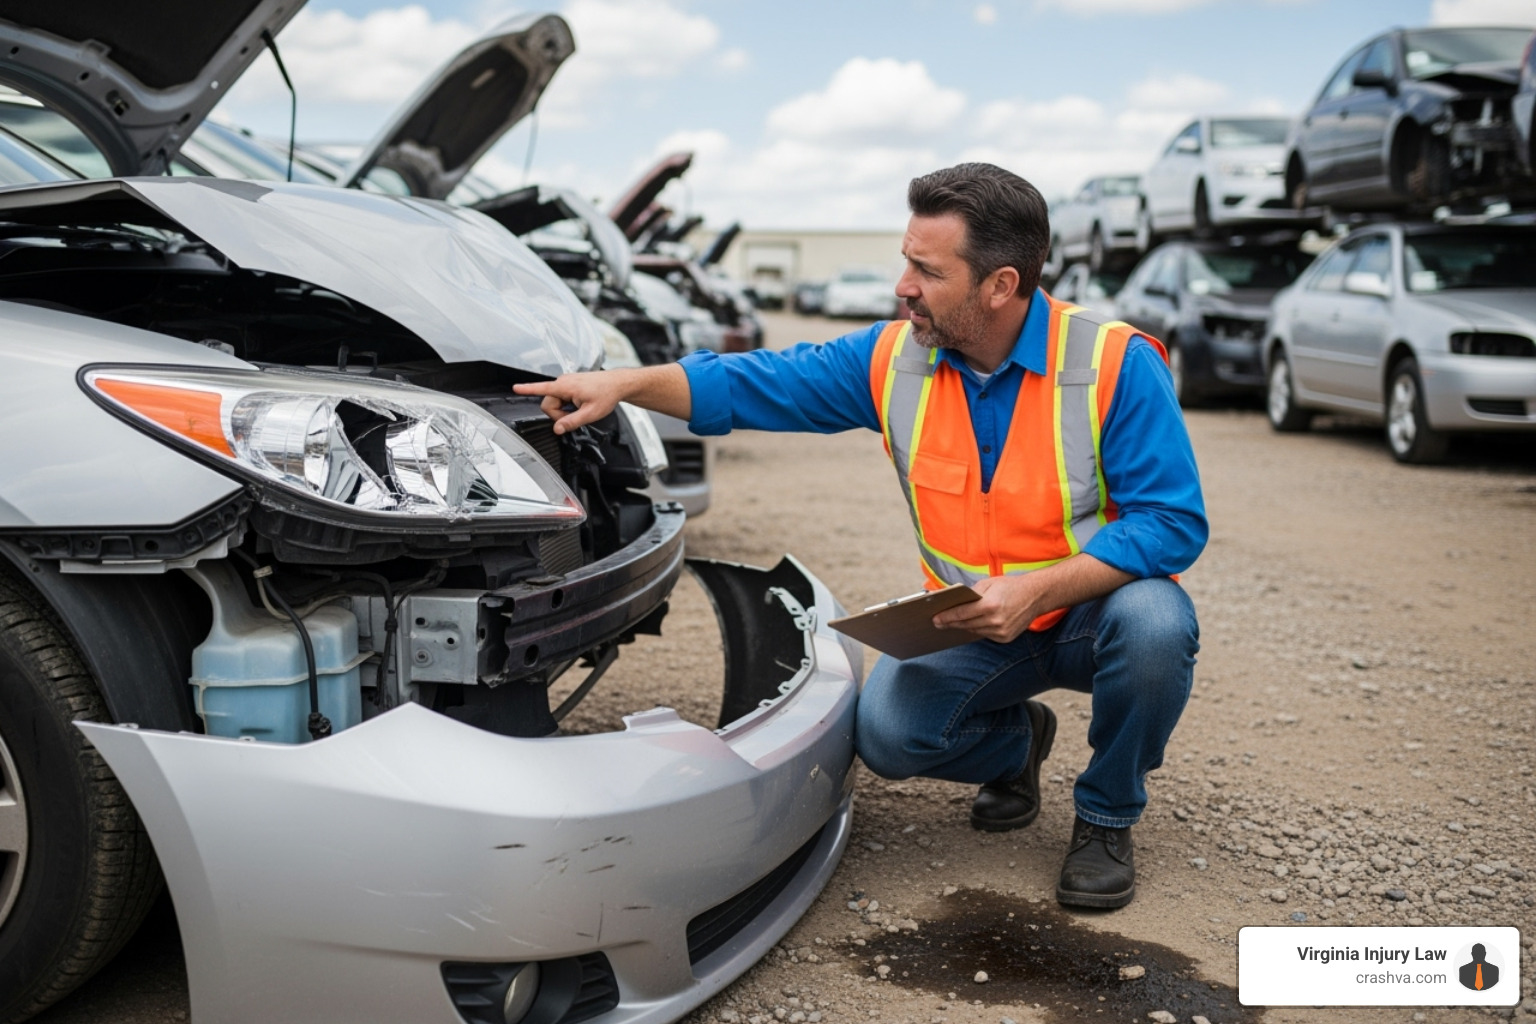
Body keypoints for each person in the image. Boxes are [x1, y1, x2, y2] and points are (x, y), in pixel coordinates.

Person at [514, 162, 1207, 910]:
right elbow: (752, 383)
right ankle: (1018, 743)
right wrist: (625, 383)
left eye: (926, 270)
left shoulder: (1113, 364)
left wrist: (1039, 588)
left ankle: (1106, 813)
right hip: (976, 620)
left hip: (1084, 616)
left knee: (1157, 625)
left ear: (1001, 285)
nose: (903, 285)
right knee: (890, 738)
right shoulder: (893, 358)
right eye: (905, 260)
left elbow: (1172, 521)